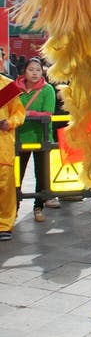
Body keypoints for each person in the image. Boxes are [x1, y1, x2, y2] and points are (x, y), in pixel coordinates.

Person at [15, 57, 59, 221]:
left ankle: (38, 207)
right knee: (16, 174)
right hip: (20, 137)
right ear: (24, 72)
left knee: (41, 174)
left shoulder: (48, 90)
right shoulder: (14, 88)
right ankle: (14, 208)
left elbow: (48, 113)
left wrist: (27, 114)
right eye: (31, 69)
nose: (34, 73)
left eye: (38, 70)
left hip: (41, 137)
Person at [0, 74, 25, 241]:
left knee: (5, 186)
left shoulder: (7, 86)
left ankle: (4, 224)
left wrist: (9, 123)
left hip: (3, 144)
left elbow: (19, 113)